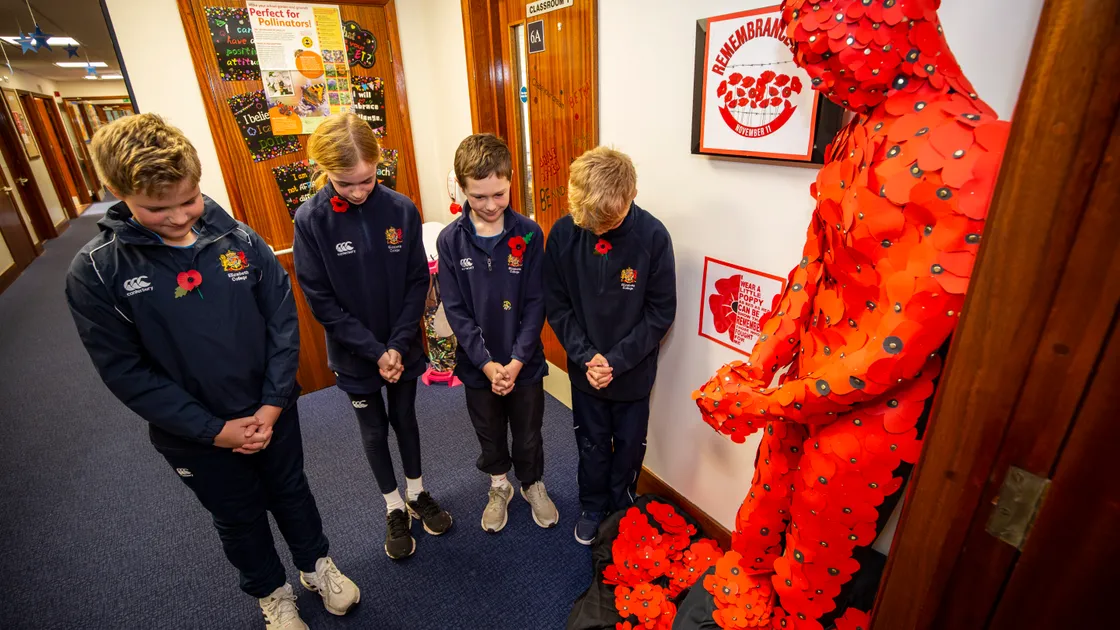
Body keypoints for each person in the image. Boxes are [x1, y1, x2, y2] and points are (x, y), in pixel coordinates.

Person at [66, 113, 358, 630]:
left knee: (292, 490)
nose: (179, 217)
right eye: (158, 208)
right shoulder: (97, 271)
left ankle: (316, 565)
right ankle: (272, 593)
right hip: (195, 432)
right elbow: (125, 371)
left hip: (270, 409)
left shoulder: (239, 238)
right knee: (238, 515)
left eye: (189, 199)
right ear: (117, 193)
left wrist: (273, 404)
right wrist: (214, 430)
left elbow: (282, 323)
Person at [293, 113, 452, 561]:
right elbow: (320, 300)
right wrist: (374, 351)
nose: (360, 191)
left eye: (367, 179)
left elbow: (417, 281)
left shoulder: (401, 209)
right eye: (346, 183)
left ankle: (417, 493)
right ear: (324, 170)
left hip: (402, 344)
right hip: (354, 353)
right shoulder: (311, 220)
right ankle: (393, 505)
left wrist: (397, 345)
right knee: (374, 428)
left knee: (405, 417)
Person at [543, 146, 677, 545]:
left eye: (609, 222)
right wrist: (587, 357)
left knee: (630, 447)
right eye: (591, 224)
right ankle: (592, 505)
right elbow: (557, 305)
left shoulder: (653, 236)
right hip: (585, 370)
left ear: (631, 195)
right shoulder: (564, 234)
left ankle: (622, 509)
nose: (599, 230)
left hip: (632, 372)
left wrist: (616, 361)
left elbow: (660, 311)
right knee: (591, 442)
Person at [436, 134, 559, 533]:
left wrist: (518, 360)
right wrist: (488, 365)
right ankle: (499, 485)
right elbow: (456, 311)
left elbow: (536, 303)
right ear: (461, 187)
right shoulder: (450, 241)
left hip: (525, 362)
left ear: (510, 181)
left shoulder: (529, 234)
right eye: (478, 197)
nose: (490, 205)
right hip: (478, 366)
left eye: (499, 194)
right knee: (489, 432)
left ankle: (531, 483)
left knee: (528, 433)